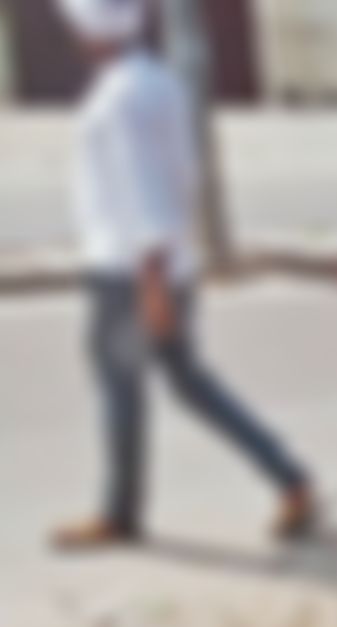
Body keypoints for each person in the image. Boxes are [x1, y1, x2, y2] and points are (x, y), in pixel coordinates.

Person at [52, 0, 315, 548]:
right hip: (160, 266)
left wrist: (151, 284)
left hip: (131, 273)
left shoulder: (120, 98)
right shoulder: (158, 85)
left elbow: (146, 190)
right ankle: (289, 480)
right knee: (187, 384)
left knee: (125, 391)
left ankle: (120, 515)